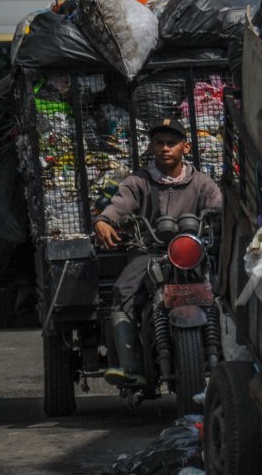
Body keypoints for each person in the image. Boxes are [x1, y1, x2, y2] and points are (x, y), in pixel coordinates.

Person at [93, 119, 222, 385]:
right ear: (151, 147)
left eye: (171, 143)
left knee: (226, 290)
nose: (165, 148)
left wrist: (223, 214)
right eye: (160, 143)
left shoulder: (201, 182)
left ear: (185, 147)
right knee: (123, 292)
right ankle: (130, 366)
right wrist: (104, 221)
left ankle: (230, 356)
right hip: (149, 252)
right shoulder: (138, 181)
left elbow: (219, 204)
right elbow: (120, 204)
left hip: (193, 252)